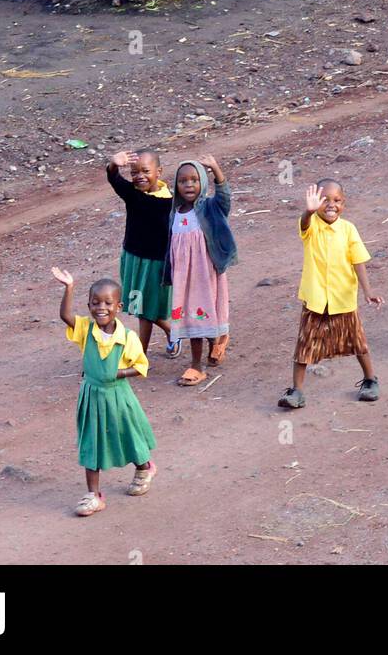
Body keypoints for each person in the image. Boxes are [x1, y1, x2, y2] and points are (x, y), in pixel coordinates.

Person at [52, 267, 156, 517]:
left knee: (127, 435)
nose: (101, 308)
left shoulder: (128, 338)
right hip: (91, 396)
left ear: (118, 306)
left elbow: (142, 367)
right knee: (91, 441)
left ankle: (144, 467)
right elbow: (66, 315)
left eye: (108, 303)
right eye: (95, 302)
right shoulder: (85, 330)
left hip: (118, 397)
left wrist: (118, 373)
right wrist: (69, 287)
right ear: (88, 305)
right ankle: (94, 495)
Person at [278, 180, 383, 409]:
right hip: (315, 299)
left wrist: (368, 291)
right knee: (304, 346)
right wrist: (308, 211)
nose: (331, 205)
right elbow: (304, 224)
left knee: (358, 342)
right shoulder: (311, 225)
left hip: (343, 298)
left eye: (337, 200)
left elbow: (358, 262)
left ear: (343, 204)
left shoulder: (348, 229)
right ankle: (297, 391)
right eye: (325, 199)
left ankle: (370, 381)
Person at [166, 155, 237, 385]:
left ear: (203, 184)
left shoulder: (209, 208)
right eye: (183, 181)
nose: (189, 185)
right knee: (190, 319)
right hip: (183, 280)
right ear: (176, 185)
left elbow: (225, 198)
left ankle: (217, 341)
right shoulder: (174, 213)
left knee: (207, 313)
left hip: (207, 275)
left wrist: (216, 168)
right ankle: (196, 366)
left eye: (195, 180)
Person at [106, 148, 179, 358]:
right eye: (134, 173)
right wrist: (113, 164)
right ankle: (173, 332)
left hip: (156, 264)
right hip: (133, 260)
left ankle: (140, 356)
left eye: (145, 171)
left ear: (159, 171)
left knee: (145, 311)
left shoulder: (172, 202)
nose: (140, 176)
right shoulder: (133, 195)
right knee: (138, 305)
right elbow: (113, 178)